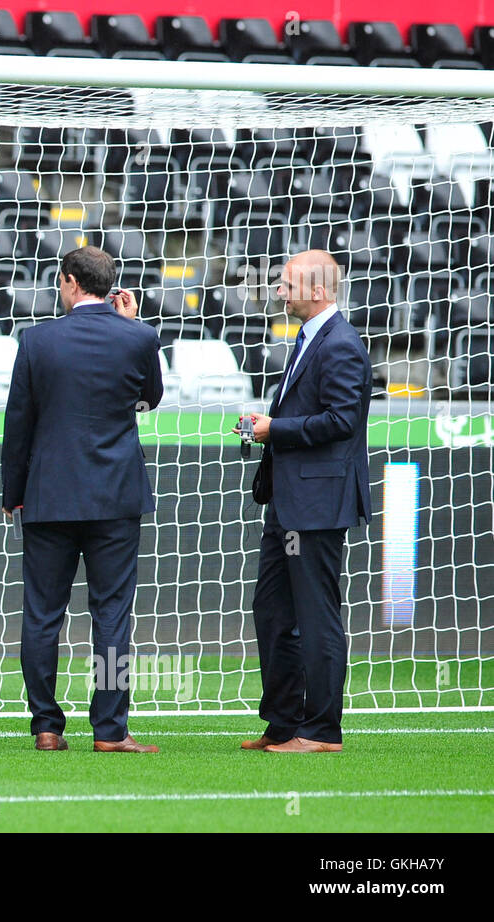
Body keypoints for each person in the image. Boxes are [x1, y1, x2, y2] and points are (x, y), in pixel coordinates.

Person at [1, 246, 164, 753]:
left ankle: (46, 726)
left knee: (42, 613)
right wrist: (134, 327)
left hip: (48, 497)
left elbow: (18, 424)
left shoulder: (37, 340)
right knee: (112, 613)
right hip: (115, 498)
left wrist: (13, 494)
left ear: (71, 282)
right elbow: (150, 399)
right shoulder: (139, 337)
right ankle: (111, 731)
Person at [234, 250, 372, 753]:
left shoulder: (341, 345)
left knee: (316, 615)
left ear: (317, 290)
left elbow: (341, 421)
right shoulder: (310, 338)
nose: (278, 292)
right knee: (271, 611)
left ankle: (322, 730)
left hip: (318, 502)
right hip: (290, 502)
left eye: (287, 284)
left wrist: (276, 429)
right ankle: (284, 722)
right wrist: (267, 428)